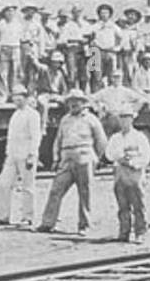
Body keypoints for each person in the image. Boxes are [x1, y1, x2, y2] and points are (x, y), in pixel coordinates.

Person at [36, 88, 107, 235]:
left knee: (85, 192)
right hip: (66, 158)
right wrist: (56, 158)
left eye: (76, 101)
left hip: (84, 155)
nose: (73, 104)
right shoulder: (65, 120)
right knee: (56, 190)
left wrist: (95, 158)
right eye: (70, 102)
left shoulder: (91, 120)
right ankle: (48, 223)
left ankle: (84, 225)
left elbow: (101, 141)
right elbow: (58, 139)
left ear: (83, 103)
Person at [0, 88, 42, 227]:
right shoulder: (15, 114)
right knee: (3, 184)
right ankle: (3, 216)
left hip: (26, 155)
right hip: (12, 155)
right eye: (14, 99)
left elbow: (36, 136)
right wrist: (8, 153)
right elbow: (11, 137)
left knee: (27, 186)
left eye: (19, 99)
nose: (17, 102)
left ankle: (28, 217)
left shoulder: (33, 115)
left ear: (26, 99)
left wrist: (32, 155)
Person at [106, 106, 150, 243]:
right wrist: (120, 158)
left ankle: (140, 232)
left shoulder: (139, 137)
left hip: (135, 174)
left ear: (132, 119)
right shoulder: (115, 138)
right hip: (120, 174)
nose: (124, 121)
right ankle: (124, 232)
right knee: (122, 205)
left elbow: (146, 156)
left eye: (127, 118)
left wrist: (133, 162)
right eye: (122, 118)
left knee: (138, 205)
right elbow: (109, 154)